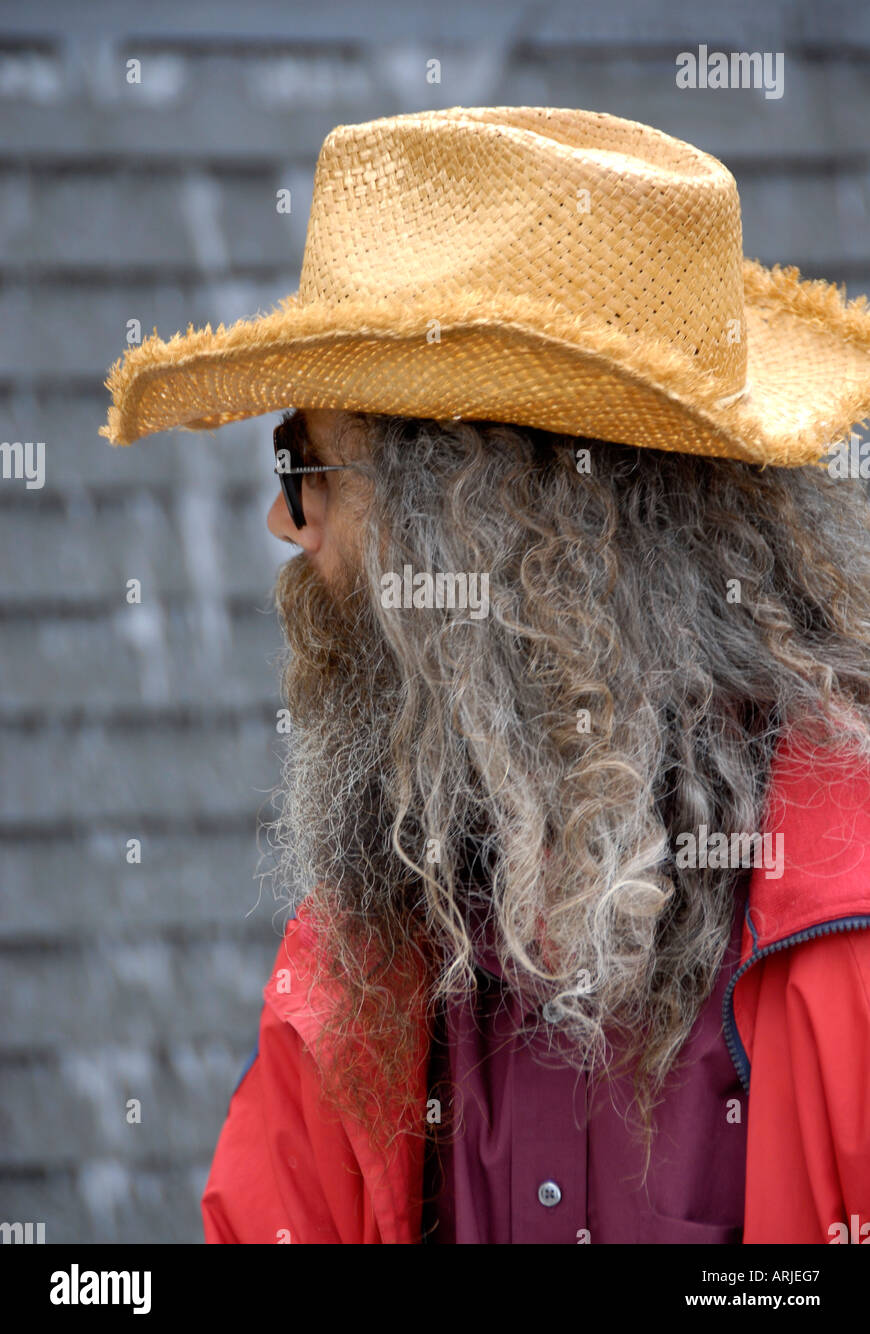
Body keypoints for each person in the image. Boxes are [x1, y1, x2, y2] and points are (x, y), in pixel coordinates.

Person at [101, 106, 870, 1245]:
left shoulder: (845, 944)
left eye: (301, 461)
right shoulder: (381, 926)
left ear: (481, 520)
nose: (281, 520)